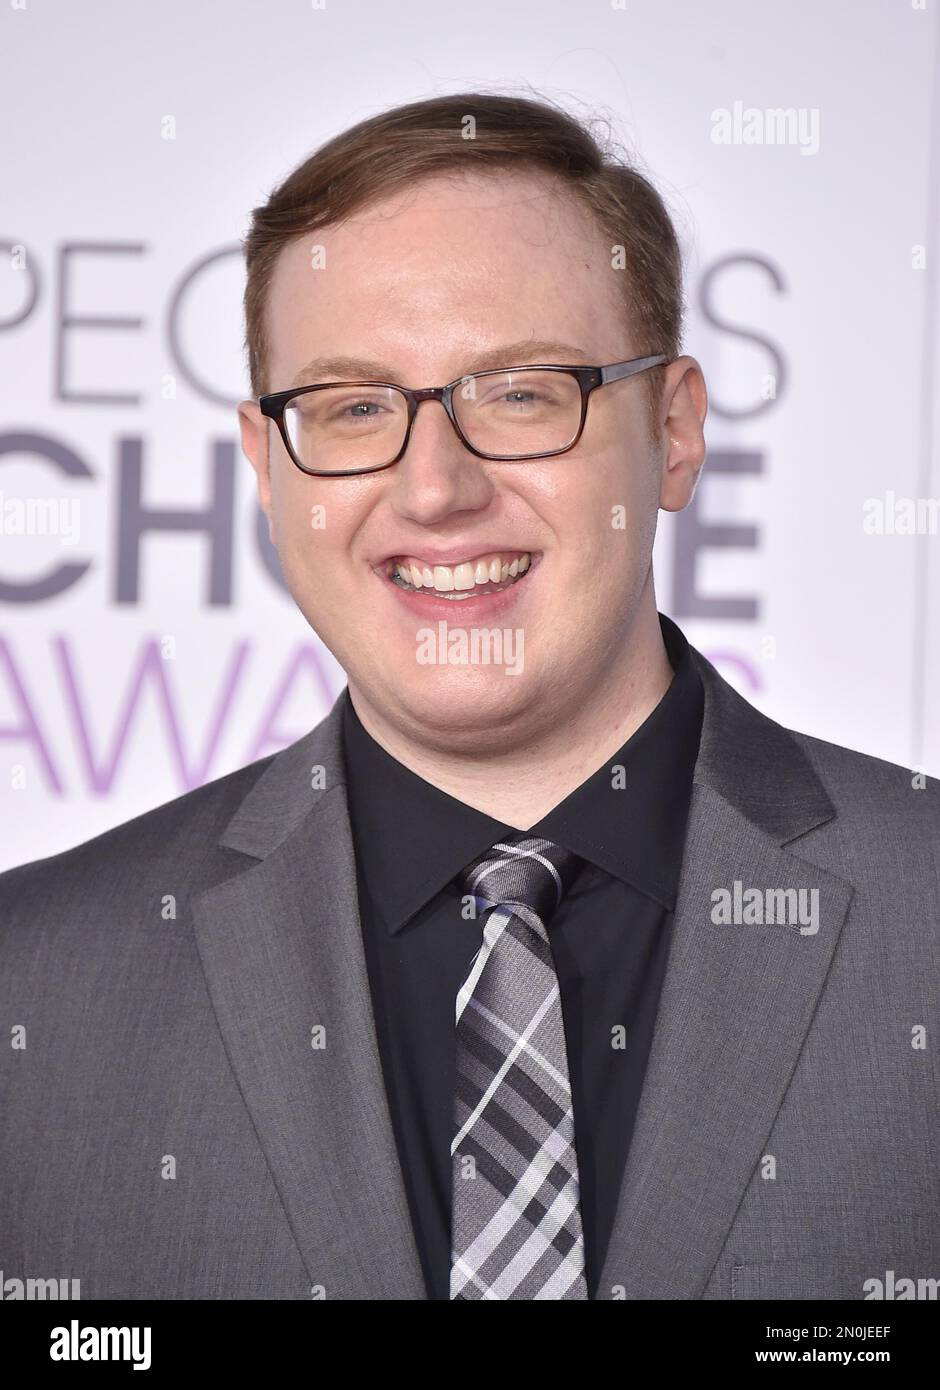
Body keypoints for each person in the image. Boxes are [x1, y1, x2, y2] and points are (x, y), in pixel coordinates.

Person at [1, 92, 937, 1301]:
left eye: (520, 392)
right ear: (266, 469)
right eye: (349, 408)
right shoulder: (34, 989)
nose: (434, 489)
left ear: (677, 429)